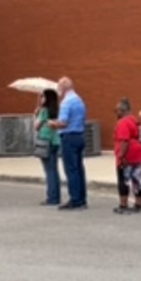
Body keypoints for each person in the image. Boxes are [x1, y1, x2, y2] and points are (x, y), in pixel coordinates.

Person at [53, 77, 87, 211]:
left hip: (69, 136)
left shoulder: (66, 102)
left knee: (71, 169)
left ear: (63, 88)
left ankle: (75, 199)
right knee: (79, 169)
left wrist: (52, 124)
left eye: (59, 88)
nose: (59, 91)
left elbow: (63, 122)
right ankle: (82, 198)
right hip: (80, 135)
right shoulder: (79, 100)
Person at [113, 98, 141, 214]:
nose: (116, 113)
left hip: (128, 154)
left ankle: (123, 204)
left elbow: (124, 140)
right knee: (137, 179)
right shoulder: (135, 120)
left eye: (116, 111)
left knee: (123, 179)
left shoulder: (123, 122)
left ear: (122, 111)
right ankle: (139, 204)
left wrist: (121, 156)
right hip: (138, 154)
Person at [35, 89, 63, 206]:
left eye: (43, 97)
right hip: (55, 141)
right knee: (54, 170)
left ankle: (51, 197)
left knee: (49, 171)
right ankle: (56, 195)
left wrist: (37, 114)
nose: (41, 99)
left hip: (45, 141)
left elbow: (36, 126)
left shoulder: (44, 111)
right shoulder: (58, 110)